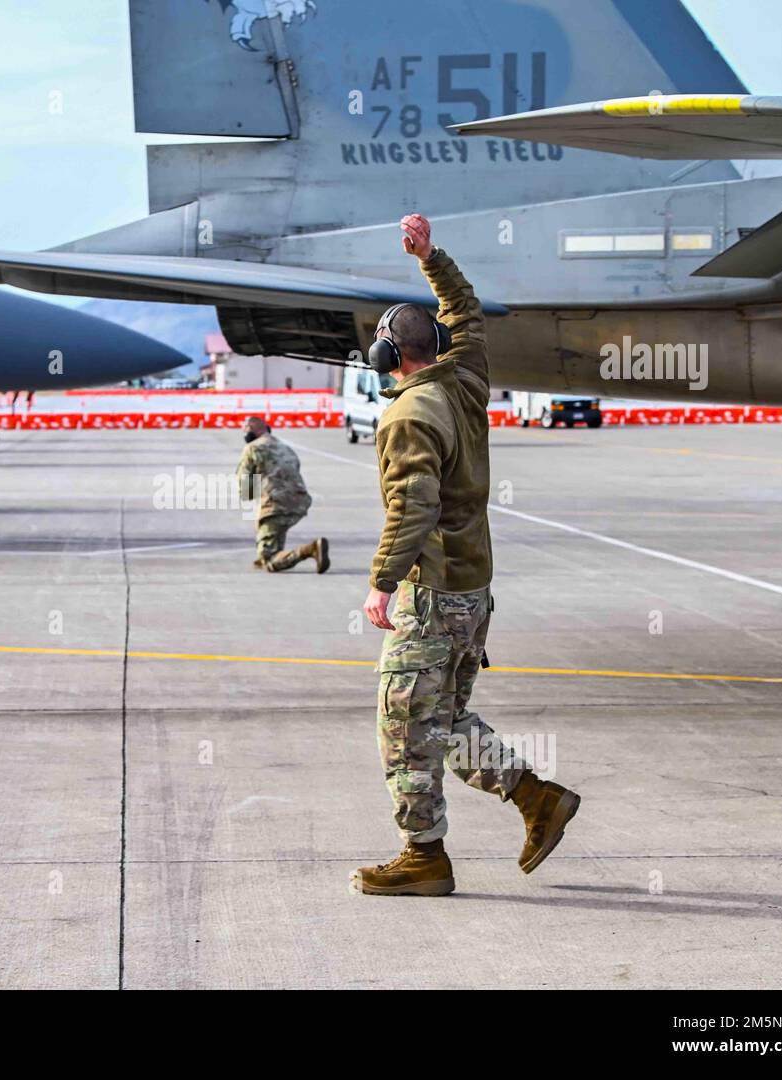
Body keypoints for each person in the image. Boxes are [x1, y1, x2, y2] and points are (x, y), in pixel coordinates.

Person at [350, 214, 581, 897]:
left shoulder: (409, 414)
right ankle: (537, 799)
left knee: (405, 725)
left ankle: (423, 855)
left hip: (432, 592)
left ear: (389, 360)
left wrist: (381, 584)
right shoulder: (468, 374)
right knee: (443, 720)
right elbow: (466, 312)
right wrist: (431, 257)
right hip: (474, 590)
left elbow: (413, 507)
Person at [236, 416, 329, 573]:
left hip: (276, 503)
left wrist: (252, 495)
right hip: (300, 501)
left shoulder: (252, 448)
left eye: (246, 430)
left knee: (269, 560)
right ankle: (273, 549)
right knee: (275, 526)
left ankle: (310, 549)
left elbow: (245, 486)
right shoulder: (285, 447)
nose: (244, 433)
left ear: (253, 430)